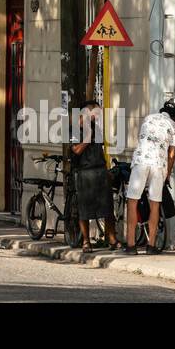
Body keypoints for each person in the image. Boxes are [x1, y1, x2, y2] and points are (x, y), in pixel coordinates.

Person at [123, 98, 175, 255]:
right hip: (158, 165)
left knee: (132, 202)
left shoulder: (148, 118)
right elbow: (171, 155)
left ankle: (130, 244)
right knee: (155, 204)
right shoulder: (174, 127)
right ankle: (151, 245)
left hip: (141, 161)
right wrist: (167, 174)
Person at [72, 100, 118, 253]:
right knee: (84, 209)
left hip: (100, 171)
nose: (98, 116)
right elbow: (76, 151)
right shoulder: (73, 129)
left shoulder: (95, 128)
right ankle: (86, 241)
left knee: (107, 208)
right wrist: (86, 140)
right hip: (84, 172)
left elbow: (99, 150)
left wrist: (107, 169)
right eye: (96, 113)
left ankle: (112, 239)